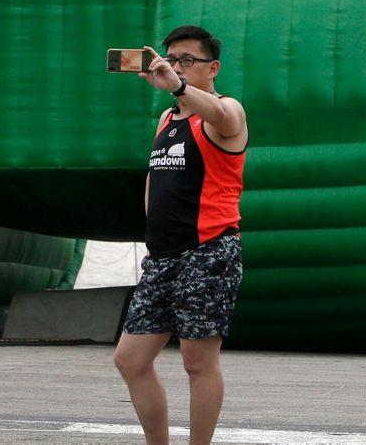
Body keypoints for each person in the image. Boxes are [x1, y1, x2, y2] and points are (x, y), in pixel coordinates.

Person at [113, 25, 248, 445]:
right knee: (130, 360)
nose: (175, 66)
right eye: (170, 59)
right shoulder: (168, 117)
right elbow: (156, 178)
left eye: (186, 60)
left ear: (213, 68)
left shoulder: (228, 111)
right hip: (163, 257)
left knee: (197, 362)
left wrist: (179, 86)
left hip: (208, 251)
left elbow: (223, 118)